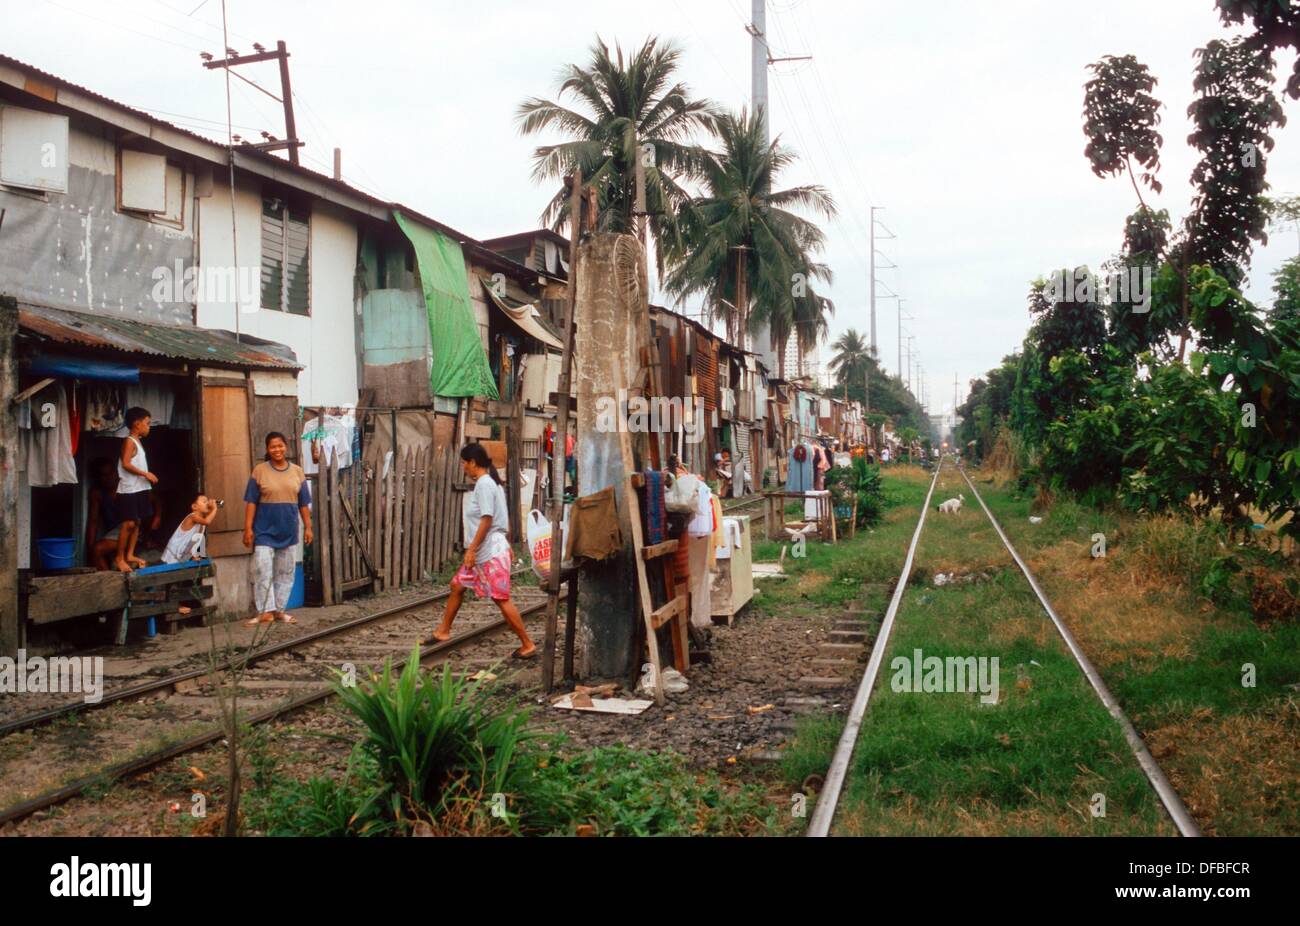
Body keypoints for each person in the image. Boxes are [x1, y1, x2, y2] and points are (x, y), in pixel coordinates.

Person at [425, 443, 536, 659]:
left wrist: (472, 549)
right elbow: (501, 517)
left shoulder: (485, 484)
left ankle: (527, 644)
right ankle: (443, 630)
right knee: (457, 585)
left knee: (501, 598)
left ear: (472, 463)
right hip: (489, 549)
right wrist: (506, 543)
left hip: (489, 552)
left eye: (464, 463)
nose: (463, 467)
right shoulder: (492, 483)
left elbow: (488, 518)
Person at [243, 432, 312, 625]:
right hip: (264, 530)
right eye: (273, 447)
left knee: (286, 571)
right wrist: (247, 528)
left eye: (280, 446)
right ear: (267, 449)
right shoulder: (259, 471)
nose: (277, 450)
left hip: (289, 529)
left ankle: (279, 610)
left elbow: (304, 503)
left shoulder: (297, 471)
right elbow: (251, 502)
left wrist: (308, 527)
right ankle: (265, 611)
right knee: (262, 569)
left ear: (286, 447)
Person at [115, 407, 157, 572]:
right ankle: (119, 558)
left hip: (139, 488)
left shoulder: (138, 441)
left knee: (138, 521)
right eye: (147, 423)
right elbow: (126, 463)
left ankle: (130, 554)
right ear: (137, 424)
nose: (149, 427)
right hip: (129, 489)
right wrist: (145, 474)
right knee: (128, 523)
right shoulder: (129, 441)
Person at [162, 494, 220, 564]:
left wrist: (193, 556)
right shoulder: (192, 517)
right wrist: (214, 509)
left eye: (207, 501)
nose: (207, 503)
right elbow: (207, 521)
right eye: (204, 502)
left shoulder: (201, 524)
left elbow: (193, 541)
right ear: (194, 506)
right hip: (173, 552)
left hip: (182, 554)